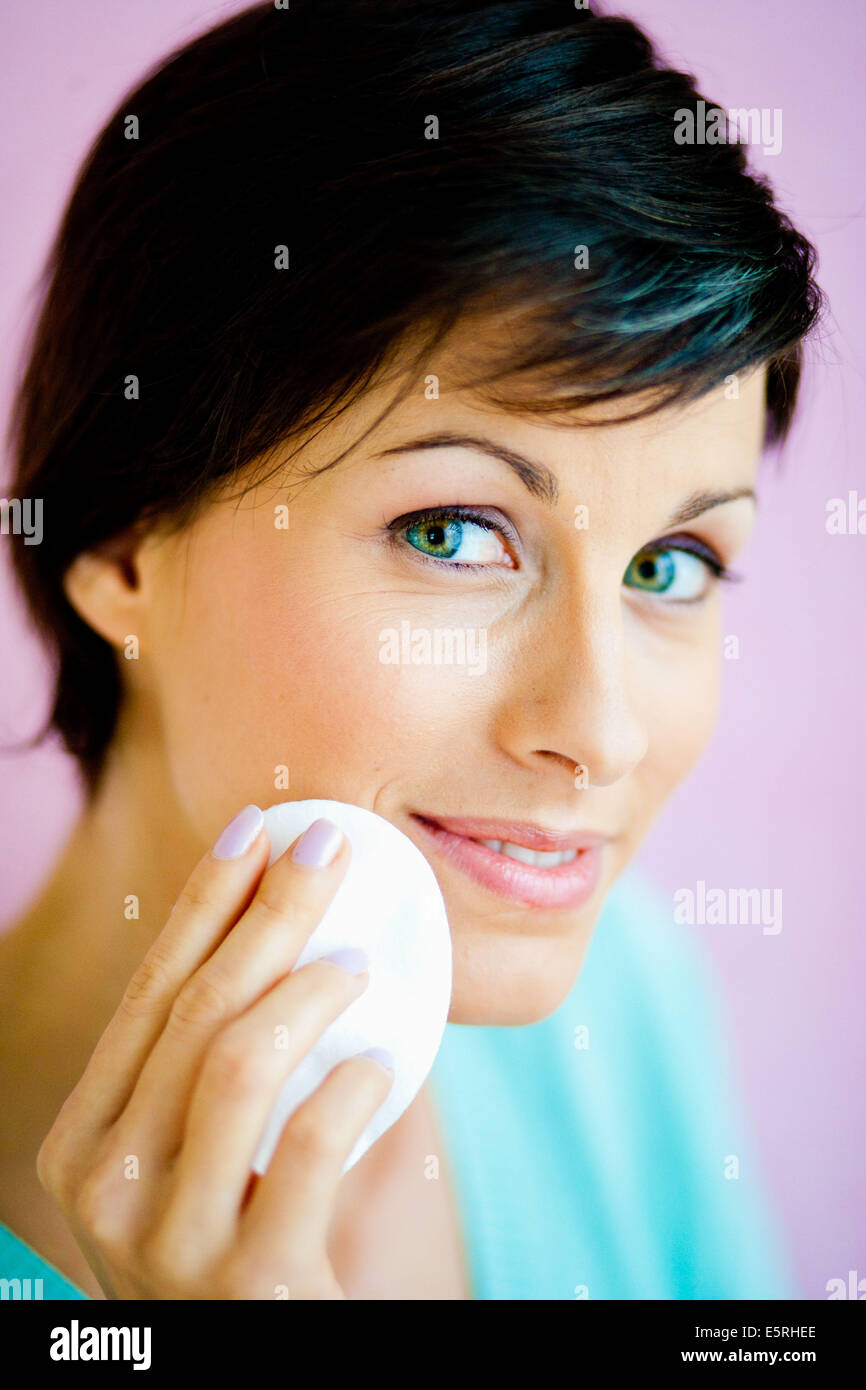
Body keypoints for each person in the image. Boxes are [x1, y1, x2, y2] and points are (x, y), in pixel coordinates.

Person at [0, 0, 820, 1299]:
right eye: (452, 531)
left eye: (670, 567)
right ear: (119, 547)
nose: (595, 731)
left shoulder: (622, 996)